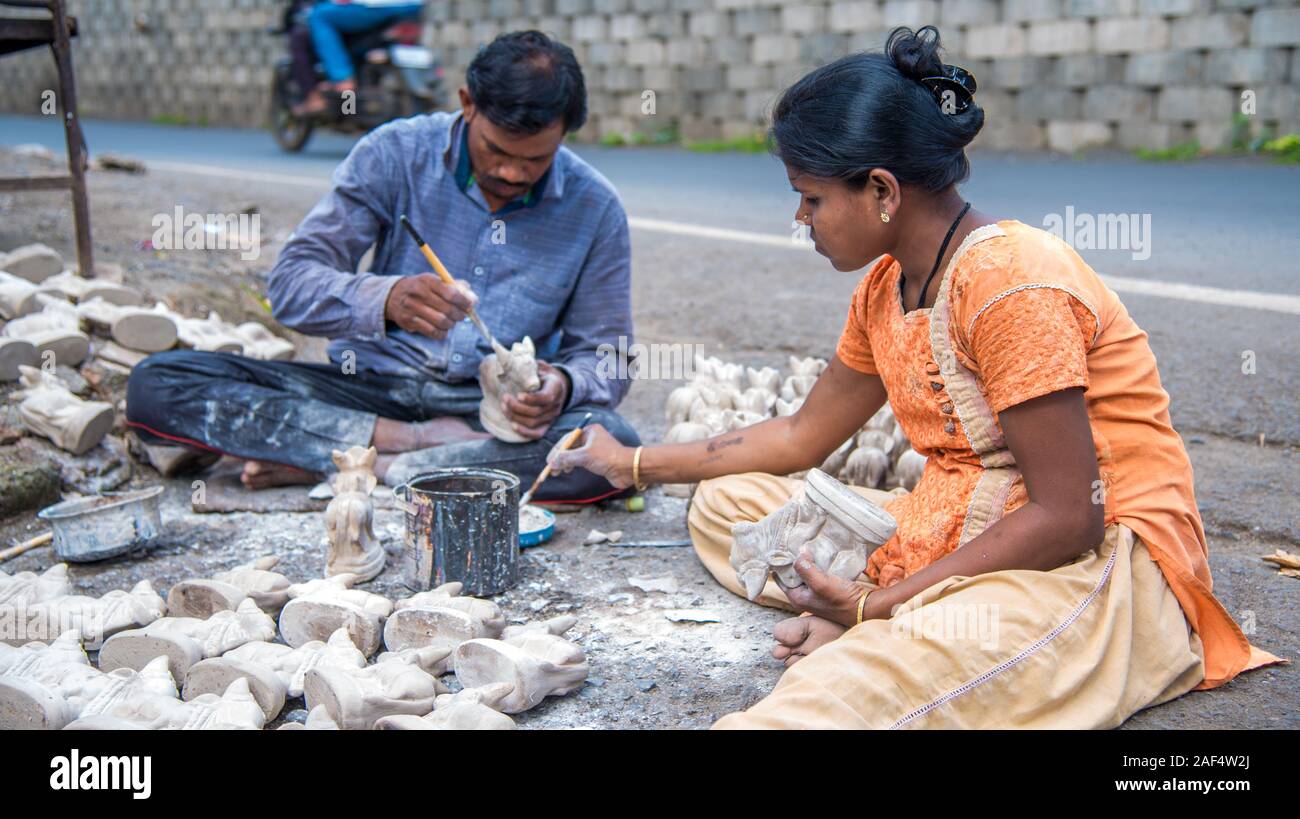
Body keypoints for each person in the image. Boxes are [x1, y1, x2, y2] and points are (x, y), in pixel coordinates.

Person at [547, 26, 1282, 728]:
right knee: (728, 506)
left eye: (811, 198)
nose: (801, 220)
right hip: (963, 521)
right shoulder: (884, 287)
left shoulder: (1009, 283)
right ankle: (887, 616)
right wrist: (633, 463)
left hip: (1096, 559)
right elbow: (804, 434)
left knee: (851, 688)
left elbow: (1068, 517)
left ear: (883, 191)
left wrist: (876, 607)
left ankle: (886, 631)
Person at [126, 31, 640, 503]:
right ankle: (414, 447)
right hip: (368, 388)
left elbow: (609, 354)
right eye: (496, 150)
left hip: (491, 414)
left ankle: (358, 463)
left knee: (613, 443)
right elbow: (289, 285)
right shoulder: (394, 154)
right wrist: (386, 301)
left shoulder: (594, 208)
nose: (511, 172)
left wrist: (564, 386)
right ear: (466, 104)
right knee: (156, 384)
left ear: (565, 135)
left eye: (535, 161)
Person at [295, 0, 425, 116]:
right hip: (413, 6)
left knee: (320, 16)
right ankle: (348, 106)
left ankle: (343, 80)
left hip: (375, 7)